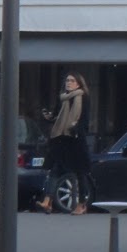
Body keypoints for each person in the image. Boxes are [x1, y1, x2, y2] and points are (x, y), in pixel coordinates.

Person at [36, 72, 92, 214]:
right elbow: (56, 116)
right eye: (67, 80)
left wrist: (76, 128)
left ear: (78, 83)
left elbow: (85, 120)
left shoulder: (83, 98)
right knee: (55, 169)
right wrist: (48, 116)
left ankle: (81, 204)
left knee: (80, 173)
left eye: (72, 80)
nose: (68, 83)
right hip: (62, 139)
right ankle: (47, 201)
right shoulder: (62, 98)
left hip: (76, 140)